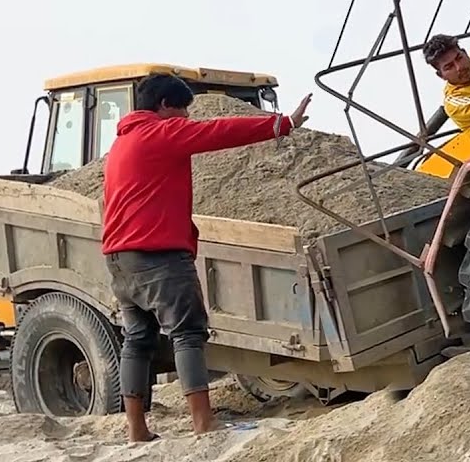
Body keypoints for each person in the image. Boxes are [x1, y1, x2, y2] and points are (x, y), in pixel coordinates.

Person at [100, 73, 312, 442]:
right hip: (158, 256)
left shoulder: (121, 144)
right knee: (187, 333)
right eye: (182, 109)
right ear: (164, 105)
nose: (186, 117)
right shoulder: (160, 133)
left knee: (137, 339)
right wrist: (282, 123)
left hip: (119, 258)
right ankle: (203, 422)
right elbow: (218, 132)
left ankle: (136, 430)